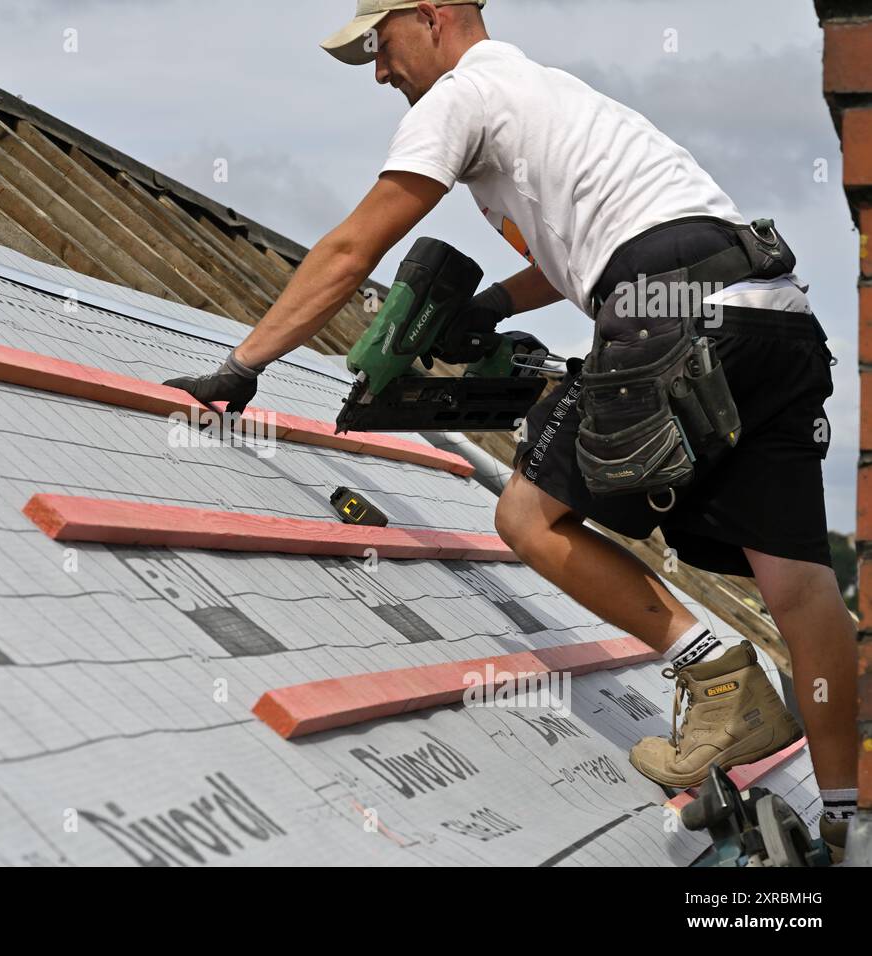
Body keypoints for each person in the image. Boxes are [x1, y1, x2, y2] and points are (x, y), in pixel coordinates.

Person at [162, 1, 857, 861]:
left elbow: (353, 248)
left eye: (380, 47)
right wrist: (493, 304)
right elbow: (602, 242)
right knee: (798, 587)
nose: (381, 73)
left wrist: (244, 363)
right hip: (770, 314)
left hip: (664, 306)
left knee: (526, 516)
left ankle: (715, 672)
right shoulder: (555, 98)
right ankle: (849, 821)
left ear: (434, 18)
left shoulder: (463, 95)